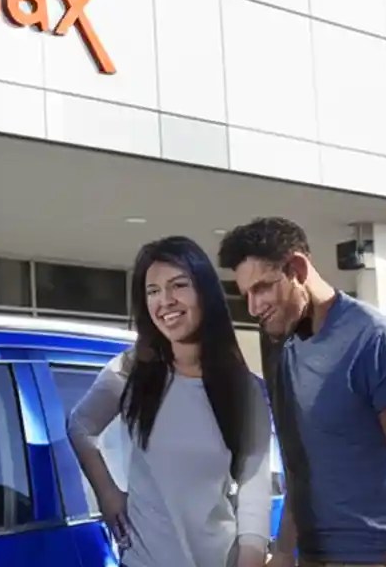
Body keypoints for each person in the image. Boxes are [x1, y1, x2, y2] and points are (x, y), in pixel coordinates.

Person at [217, 217, 386, 567]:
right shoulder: (285, 348)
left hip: (382, 556)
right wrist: (282, 551)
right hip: (313, 556)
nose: (253, 306)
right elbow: (299, 464)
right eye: (246, 294)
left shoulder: (376, 337)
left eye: (262, 287)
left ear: (298, 268)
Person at [67, 236, 272, 567]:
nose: (165, 301)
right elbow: (80, 425)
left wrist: (250, 558)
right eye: (152, 291)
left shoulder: (244, 389)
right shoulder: (130, 370)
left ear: (205, 292)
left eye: (178, 285)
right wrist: (107, 494)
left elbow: (254, 488)